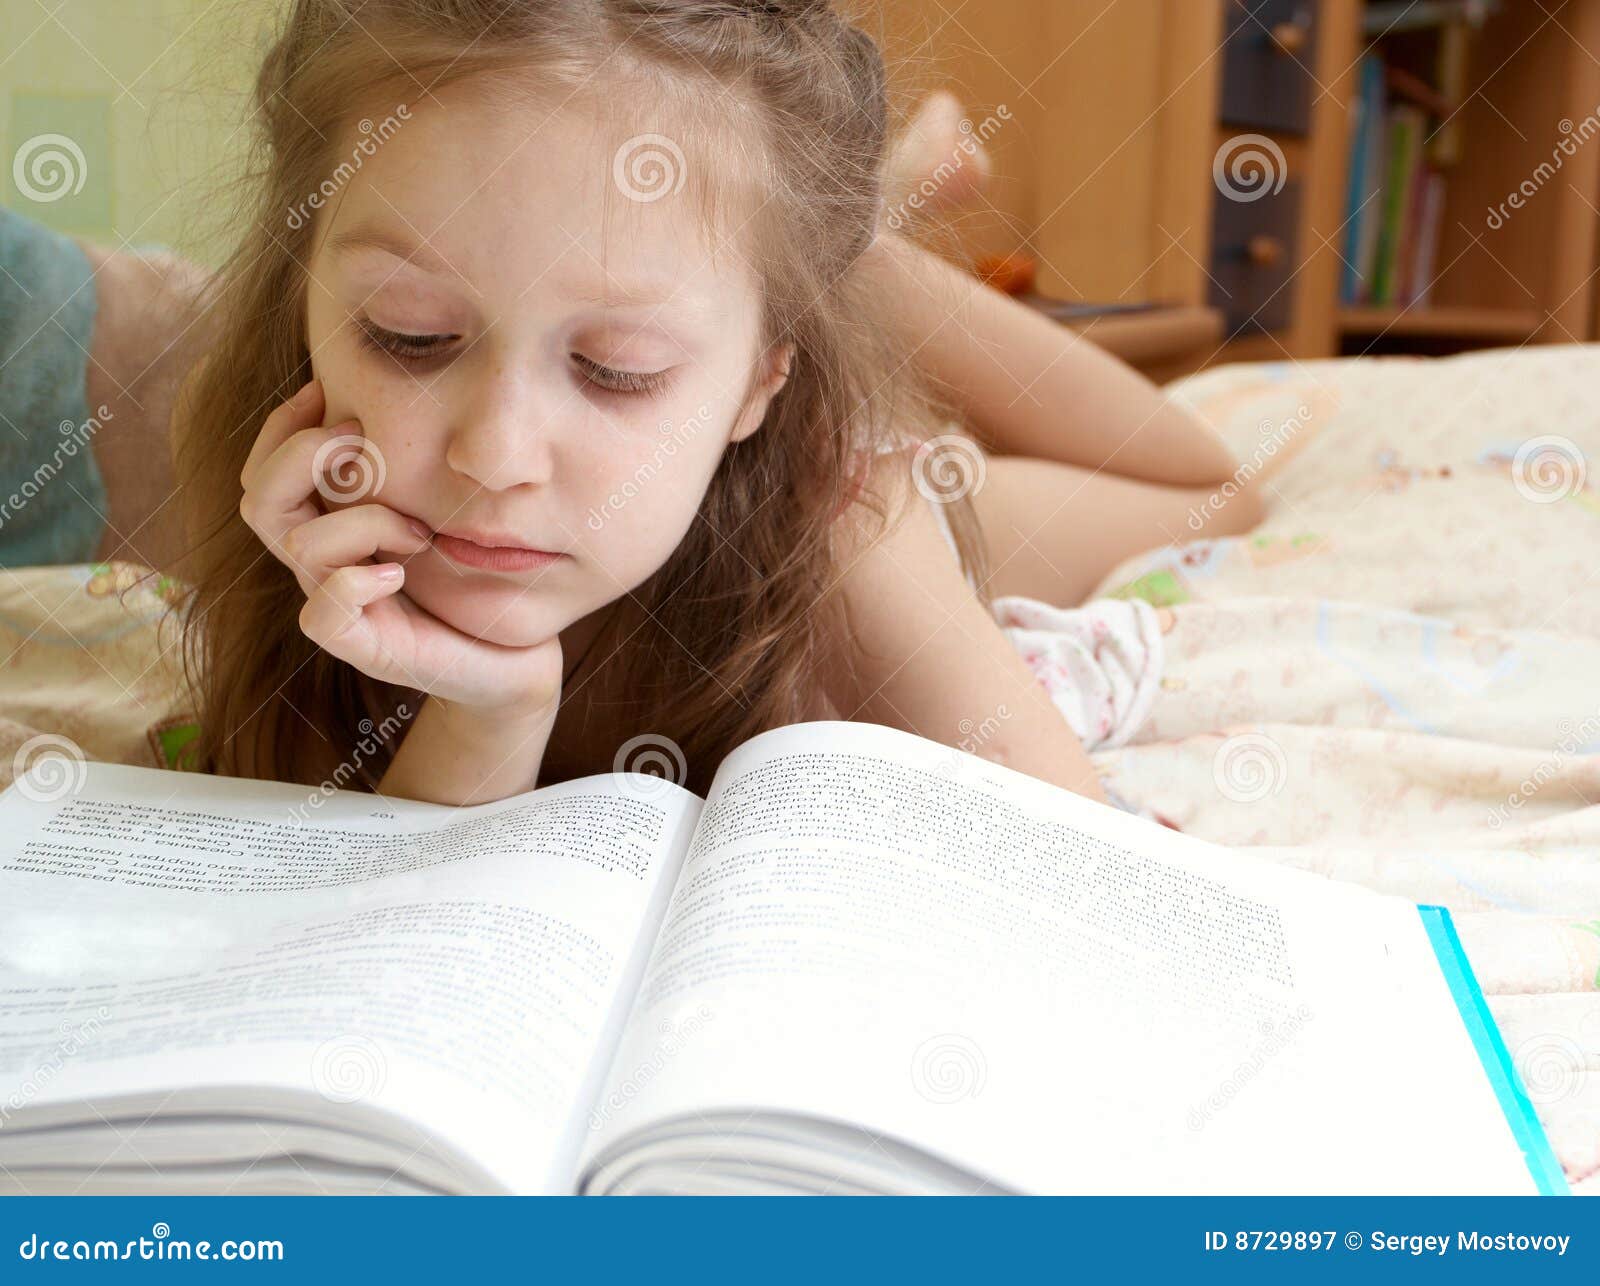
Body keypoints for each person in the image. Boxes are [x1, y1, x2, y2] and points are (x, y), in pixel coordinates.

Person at [169, 0, 1263, 808]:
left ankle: (862, 247)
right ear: (302, 294)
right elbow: (379, 900)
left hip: (800, 500)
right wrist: (484, 706)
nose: (496, 455)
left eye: (618, 366)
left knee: (1214, 492)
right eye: (409, 334)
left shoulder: (851, 528)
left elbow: (1090, 866)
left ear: (758, 379)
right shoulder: (286, 503)